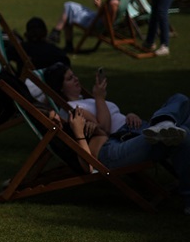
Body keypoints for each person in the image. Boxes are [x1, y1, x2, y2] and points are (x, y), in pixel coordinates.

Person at [40, 62, 190, 215]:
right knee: (183, 133)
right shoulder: (72, 111)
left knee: (180, 101)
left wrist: (129, 115)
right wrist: (98, 99)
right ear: (60, 87)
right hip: (115, 144)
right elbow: (102, 134)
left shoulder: (82, 104)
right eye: (69, 78)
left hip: (129, 132)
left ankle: (164, 122)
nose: (76, 79)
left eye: (74, 75)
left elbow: (105, 126)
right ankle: (164, 124)